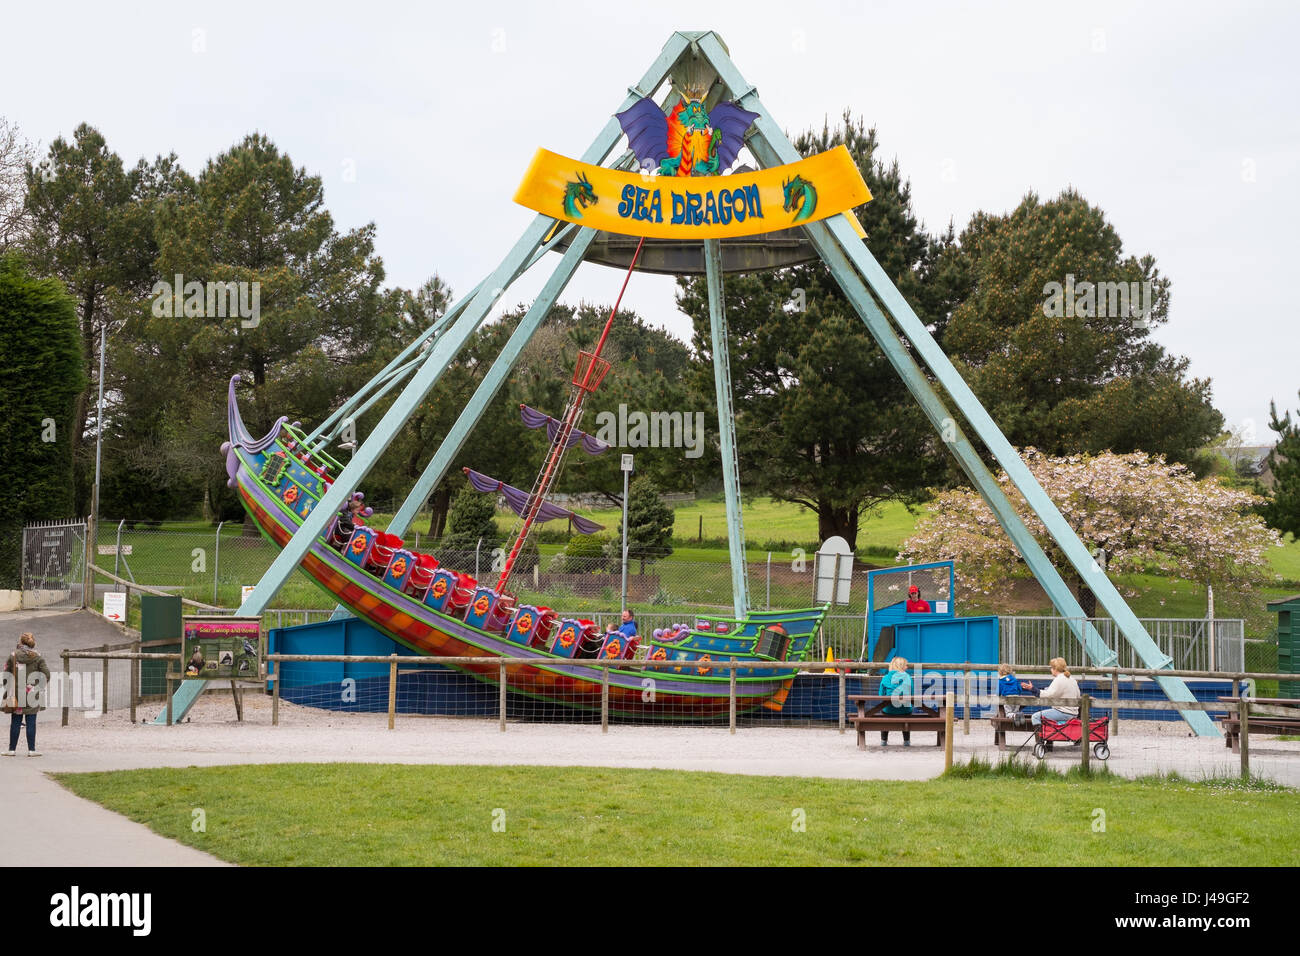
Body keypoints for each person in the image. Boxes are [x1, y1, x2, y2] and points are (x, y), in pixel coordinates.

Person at [4, 633, 50, 757]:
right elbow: (46, 674)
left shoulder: (13, 656)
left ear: (21, 642)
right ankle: (32, 750)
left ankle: (12, 750)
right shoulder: (38, 657)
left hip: (17, 694)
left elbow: (6, 674)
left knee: (15, 722)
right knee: (31, 722)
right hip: (32, 694)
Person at [1030, 657, 1080, 728]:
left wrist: (1033, 689)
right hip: (1074, 713)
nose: (1050, 670)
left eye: (1051, 668)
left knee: (1035, 717)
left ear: (1055, 669)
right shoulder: (1072, 679)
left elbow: (1048, 695)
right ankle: (1049, 736)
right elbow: (1078, 695)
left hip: (1064, 712)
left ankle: (1041, 737)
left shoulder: (1059, 679)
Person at [878, 656, 913, 747]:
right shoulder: (908, 677)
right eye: (906, 665)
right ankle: (906, 741)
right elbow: (912, 694)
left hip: (888, 711)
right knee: (907, 710)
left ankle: (883, 740)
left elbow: (880, 695)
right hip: (905, 711)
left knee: (884, 711)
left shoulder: (885, 678)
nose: (907, 667)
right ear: (900, 666)